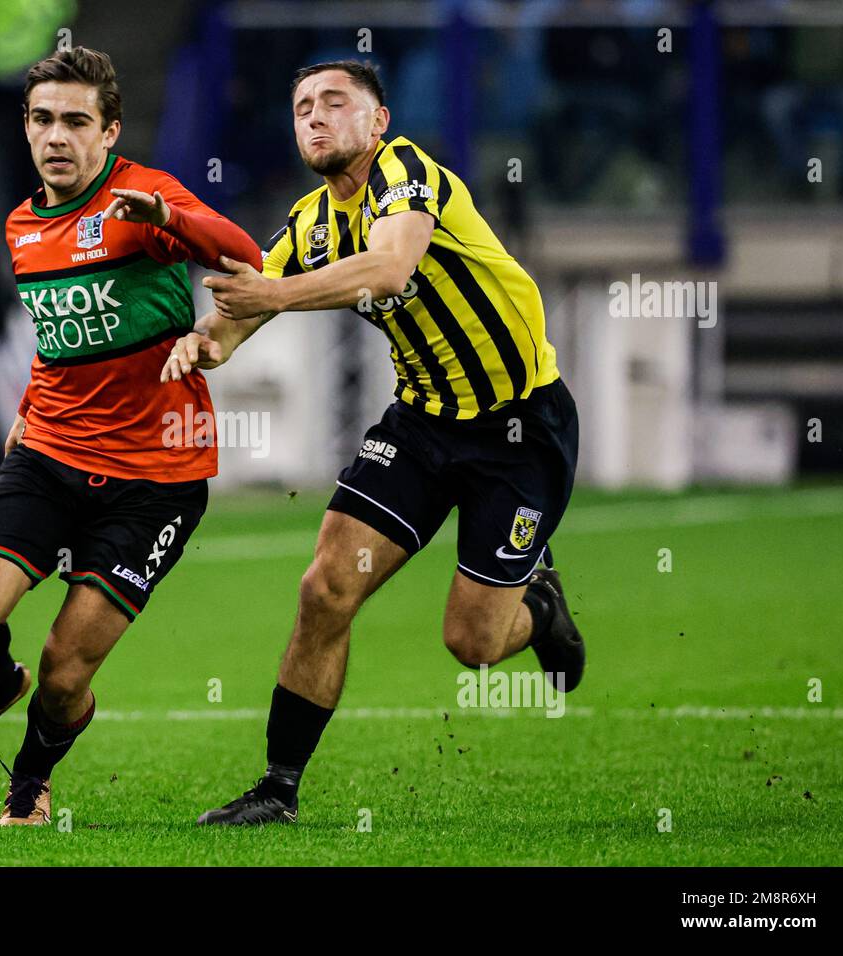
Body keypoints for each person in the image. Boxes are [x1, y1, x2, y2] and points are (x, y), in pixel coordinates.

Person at [160, 60, 585, 826]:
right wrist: (204, 342)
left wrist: (272, 296)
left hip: (520, 430)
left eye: (334, 102)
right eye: (300, 109)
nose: (315, 118)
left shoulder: (407, 171)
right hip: (422, 427)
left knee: (475, 644)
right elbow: (240, 314)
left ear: (378, 120)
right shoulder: (309, 222)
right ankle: (278, 789)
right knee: (325, 588)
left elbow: (389, 271)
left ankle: (541, 610)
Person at [0, 47, 262, 826]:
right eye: (43, 120)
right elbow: (58, 338)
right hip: (49, 453)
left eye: (76, 121)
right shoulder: (21, 226)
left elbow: (248, 258)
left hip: (155, 478)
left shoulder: (143, 198)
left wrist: (169, 220)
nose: (57, 137)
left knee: (66, 671)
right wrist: (25, 415)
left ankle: (32, 780)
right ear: (26, 129)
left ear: (109, 132)